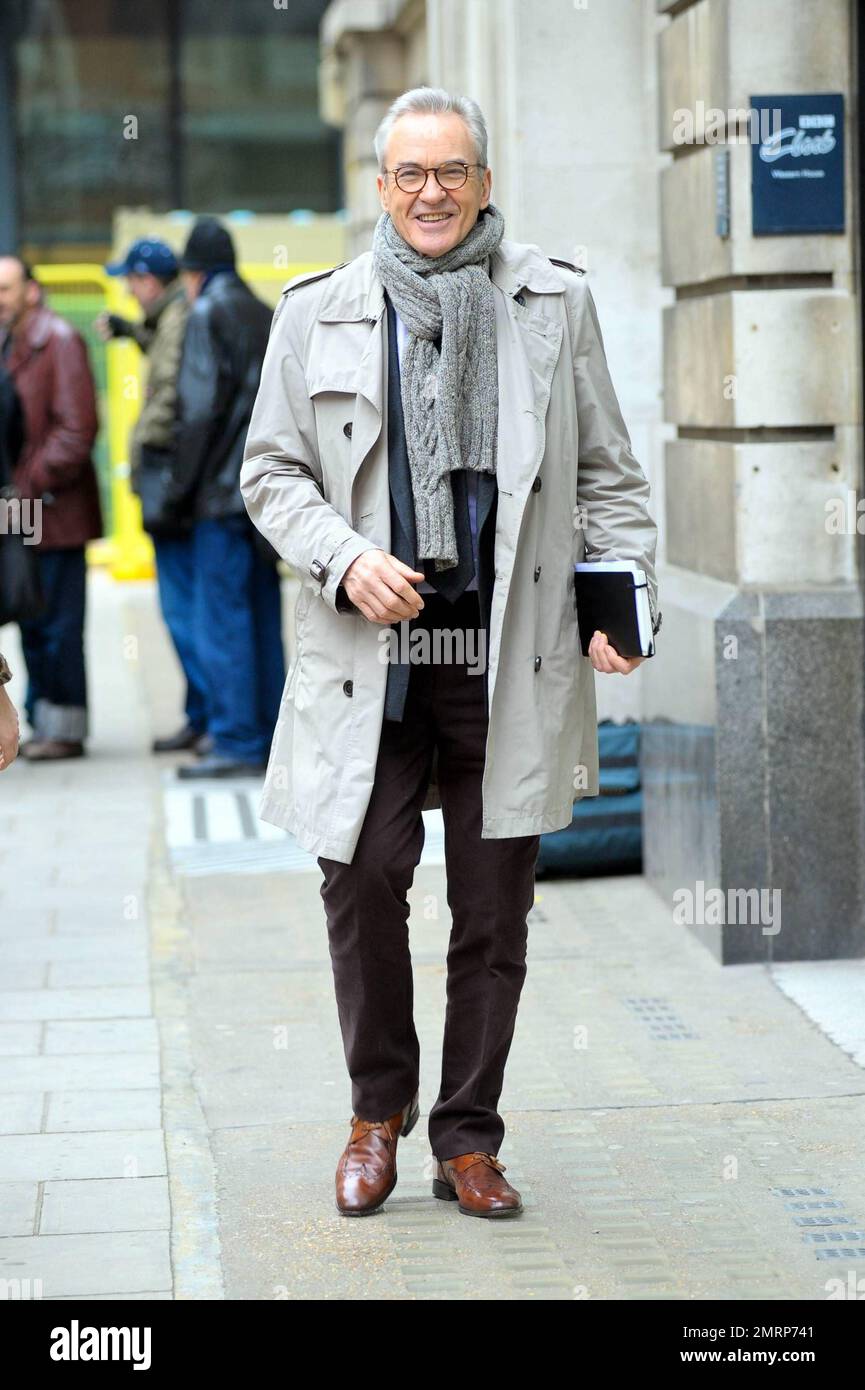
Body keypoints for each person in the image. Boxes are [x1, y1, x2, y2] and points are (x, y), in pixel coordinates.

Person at [241, 87, 661, 1218]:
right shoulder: (316, 312)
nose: (431, 193)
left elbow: (609, 475)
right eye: (409, 175)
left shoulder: (552, 304)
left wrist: (627, 604)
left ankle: (465, 1138)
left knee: (493, 908)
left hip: (507, 655)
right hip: (364, 657)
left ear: (482, 182)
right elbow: (269, 476)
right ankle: (376, 1112)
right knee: (364, 876)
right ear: (381, 188)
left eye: (452, 172)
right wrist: (340, 557)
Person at [167, 217, 285, 780]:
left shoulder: (206, 313)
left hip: (218, 496)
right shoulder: (263, 311)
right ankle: (270, 734)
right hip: (264, 496)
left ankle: (237, 739)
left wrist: (176, 491)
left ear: (194, 274)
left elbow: (196, 414)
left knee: (221, 620)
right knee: (261, 616)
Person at [96, 237, 209, 755]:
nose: (128, 290)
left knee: (183, 607)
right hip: (177, 483)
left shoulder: (179, 317)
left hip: (171, 481)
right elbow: (160, 347)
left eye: (131, 281)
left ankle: (207, 717)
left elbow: (167, 389)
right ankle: (200, 714)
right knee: (181, 606)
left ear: (148, 281)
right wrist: (131, 332)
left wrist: (144, 445)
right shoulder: (169, 317)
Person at [0, 255, 101, 761]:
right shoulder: (11, 343)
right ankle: (43, 719)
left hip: (53, 507)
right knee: (33, 620)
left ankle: (65, 727)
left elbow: (76, 430)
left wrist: (24, 482)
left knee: (59, 623)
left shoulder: (57, 339)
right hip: (23, 510)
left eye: (6, 288)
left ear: (32, 291)